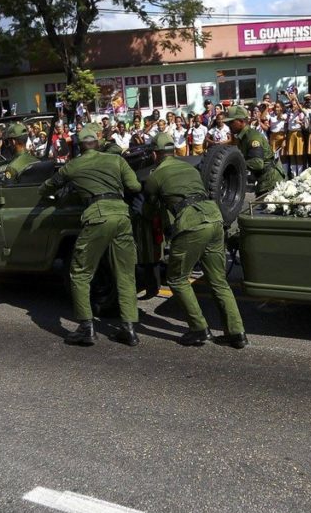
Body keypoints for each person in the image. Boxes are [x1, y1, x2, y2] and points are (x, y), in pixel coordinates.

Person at [39, 124, 142, 347]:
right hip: (122, 216)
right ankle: (129, 329)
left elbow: (46, 187)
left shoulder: (72, 166)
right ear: (97, 142)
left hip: (97, 216)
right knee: (125, 274)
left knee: (80, 273)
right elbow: (134, 186)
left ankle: (86, 328)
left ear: (79, 146)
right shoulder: (116, 160)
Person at [143, 133, 247, 348]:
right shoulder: (189, 168)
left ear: (155, 154)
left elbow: (149, 210)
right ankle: (236, 333)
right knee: (218, 281)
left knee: (177, 279)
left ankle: (199, 329)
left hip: (191, 224)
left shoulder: (156, 176)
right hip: (214, 218)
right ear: (173, 151)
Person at [225, 105, 284, 196]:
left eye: (231, 122)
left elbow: (257, 163)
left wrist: (236, 164)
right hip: (263, 179)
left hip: (271, 181)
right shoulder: (242, 137)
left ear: (241, 121)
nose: (229, 125)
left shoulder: (252, 137)